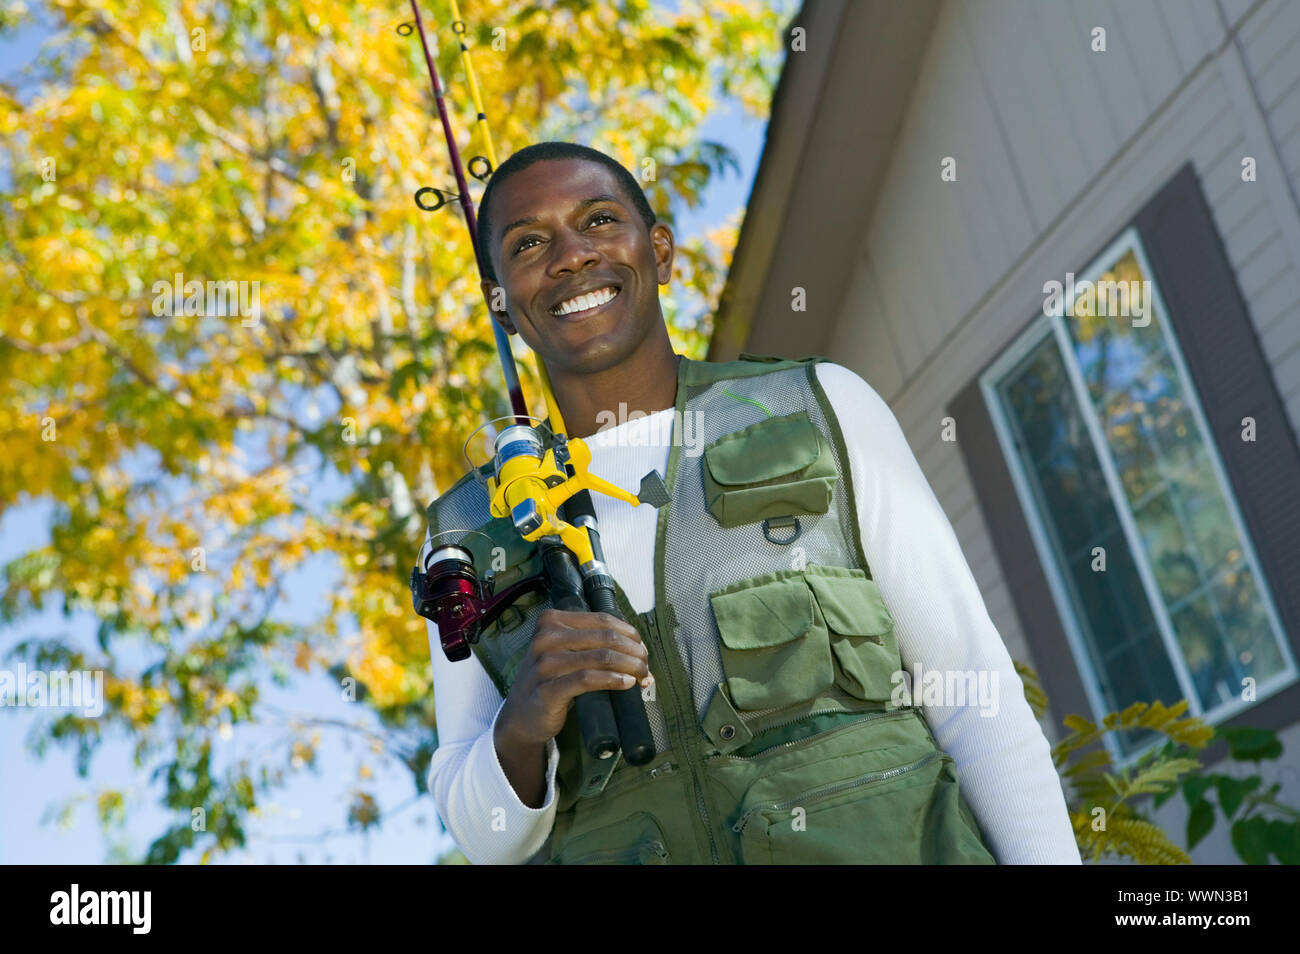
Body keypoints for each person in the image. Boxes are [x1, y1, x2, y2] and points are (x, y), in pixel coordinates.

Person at [423, 140, 1081, 864]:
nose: (572, 256)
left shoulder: (820, 405)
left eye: (601, 220)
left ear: (662, 252)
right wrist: (521, 726)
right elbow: (484, 841)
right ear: (501, 305)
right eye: (529, 243)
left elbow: (971, 696)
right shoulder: (468, 532)